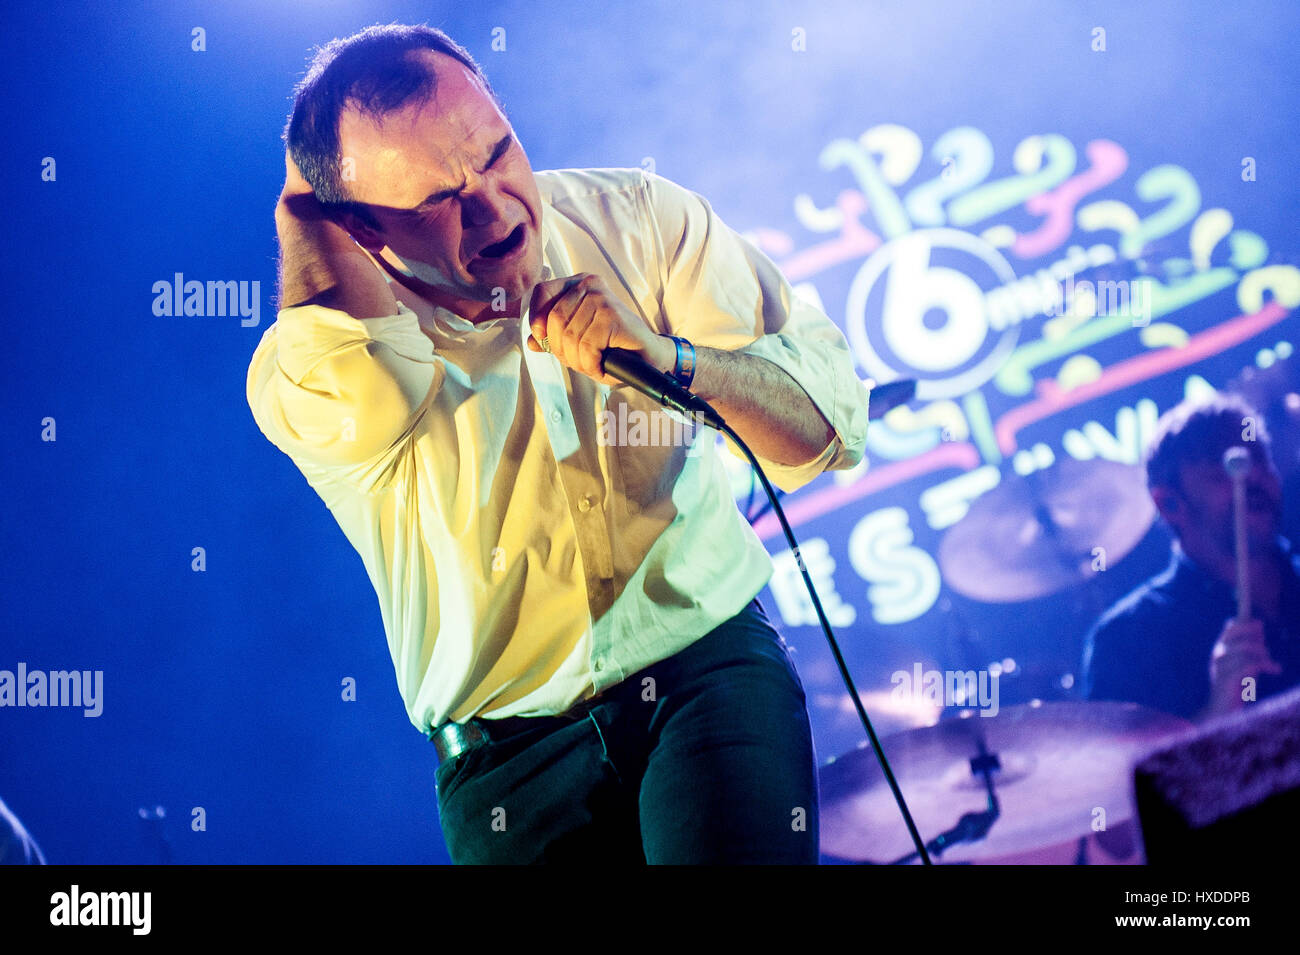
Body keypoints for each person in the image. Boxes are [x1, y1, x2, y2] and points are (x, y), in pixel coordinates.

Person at [246, 24, 870, 863]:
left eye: (498, 154)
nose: (496, 210)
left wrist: (671, 360)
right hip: (510, 762)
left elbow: (826, 431)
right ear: (357, 229)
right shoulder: (316, 372)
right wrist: (298, 203)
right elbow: (360, 374)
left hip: (707, 672)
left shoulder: (639, 218)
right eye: (436, 201)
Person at [1081, 393, 1300, 722]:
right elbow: (1135, 772)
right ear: (1169, 504)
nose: (1252, 477)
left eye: (1260, 459)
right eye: (1228, 467)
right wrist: (1220, 707)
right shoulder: (1127, 640)